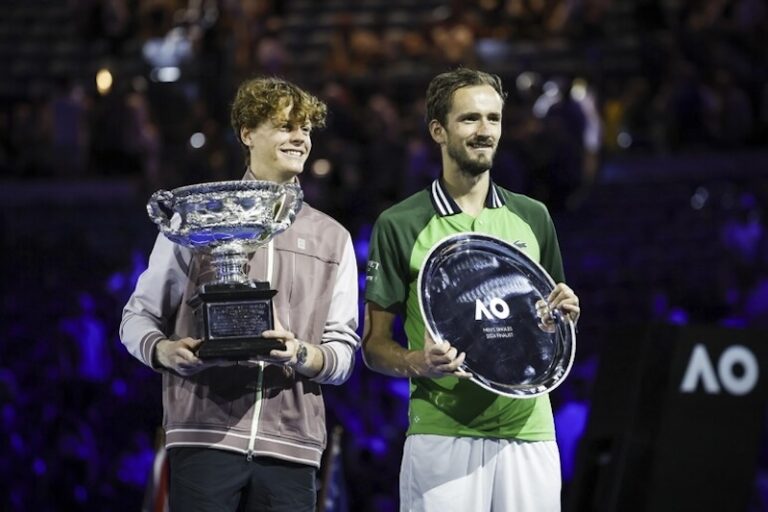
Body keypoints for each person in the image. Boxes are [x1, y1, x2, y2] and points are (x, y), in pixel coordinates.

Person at [120, 77, 360, 512]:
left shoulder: (333, 238)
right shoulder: (198, 218)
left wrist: (300, 353)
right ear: (247, 133)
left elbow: (343, 352)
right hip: (203, 438)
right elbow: (137, 317)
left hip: (292, 449)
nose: (300, 138)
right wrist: (163, 351)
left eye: (306, 129)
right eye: (285, 126)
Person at [362, 68, 580, 512]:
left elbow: (551, 321)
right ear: (438, 131)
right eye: (469, 119)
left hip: (530, 432)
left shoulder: (533, 216)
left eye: (493, 118)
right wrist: (419, 362)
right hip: (443, 433)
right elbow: (373, 347)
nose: (485, 131)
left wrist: (565, 314)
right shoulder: (400, 224)